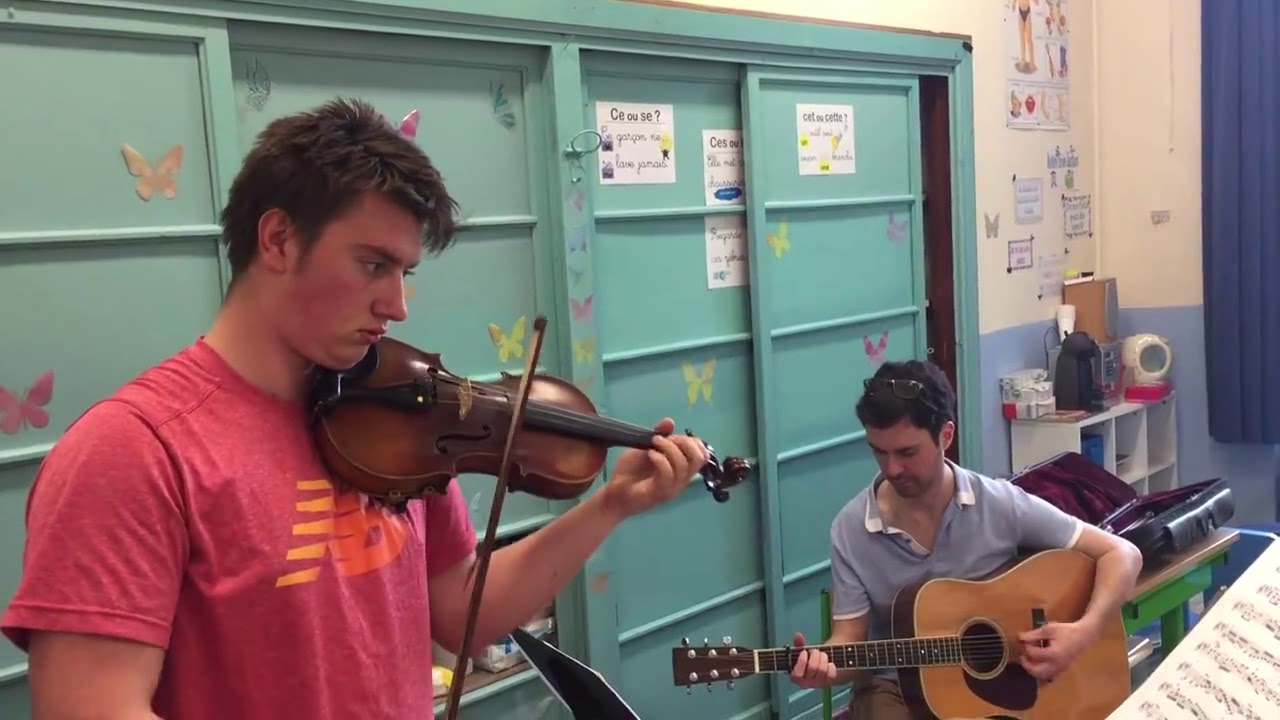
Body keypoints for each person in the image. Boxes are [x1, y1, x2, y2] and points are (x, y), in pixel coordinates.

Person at [0, 98, 710, 720]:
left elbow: (463, 612)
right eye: (373, 265)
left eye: (405, 272)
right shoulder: (135, 450)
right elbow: (90, 709)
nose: (396, 305)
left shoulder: (397, 417)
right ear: (277, 239)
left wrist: (609, 506)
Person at [786, 360, 1143, 718]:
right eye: (879, 452)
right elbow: (849, 641)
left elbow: (1123, 553)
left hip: (1003, 688)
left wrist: (1084, 631)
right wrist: (822, 667)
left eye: (907, 452)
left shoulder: (999, 504)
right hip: (897, 686)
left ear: (946, 435)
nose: (892, 469)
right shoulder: (850, 529)